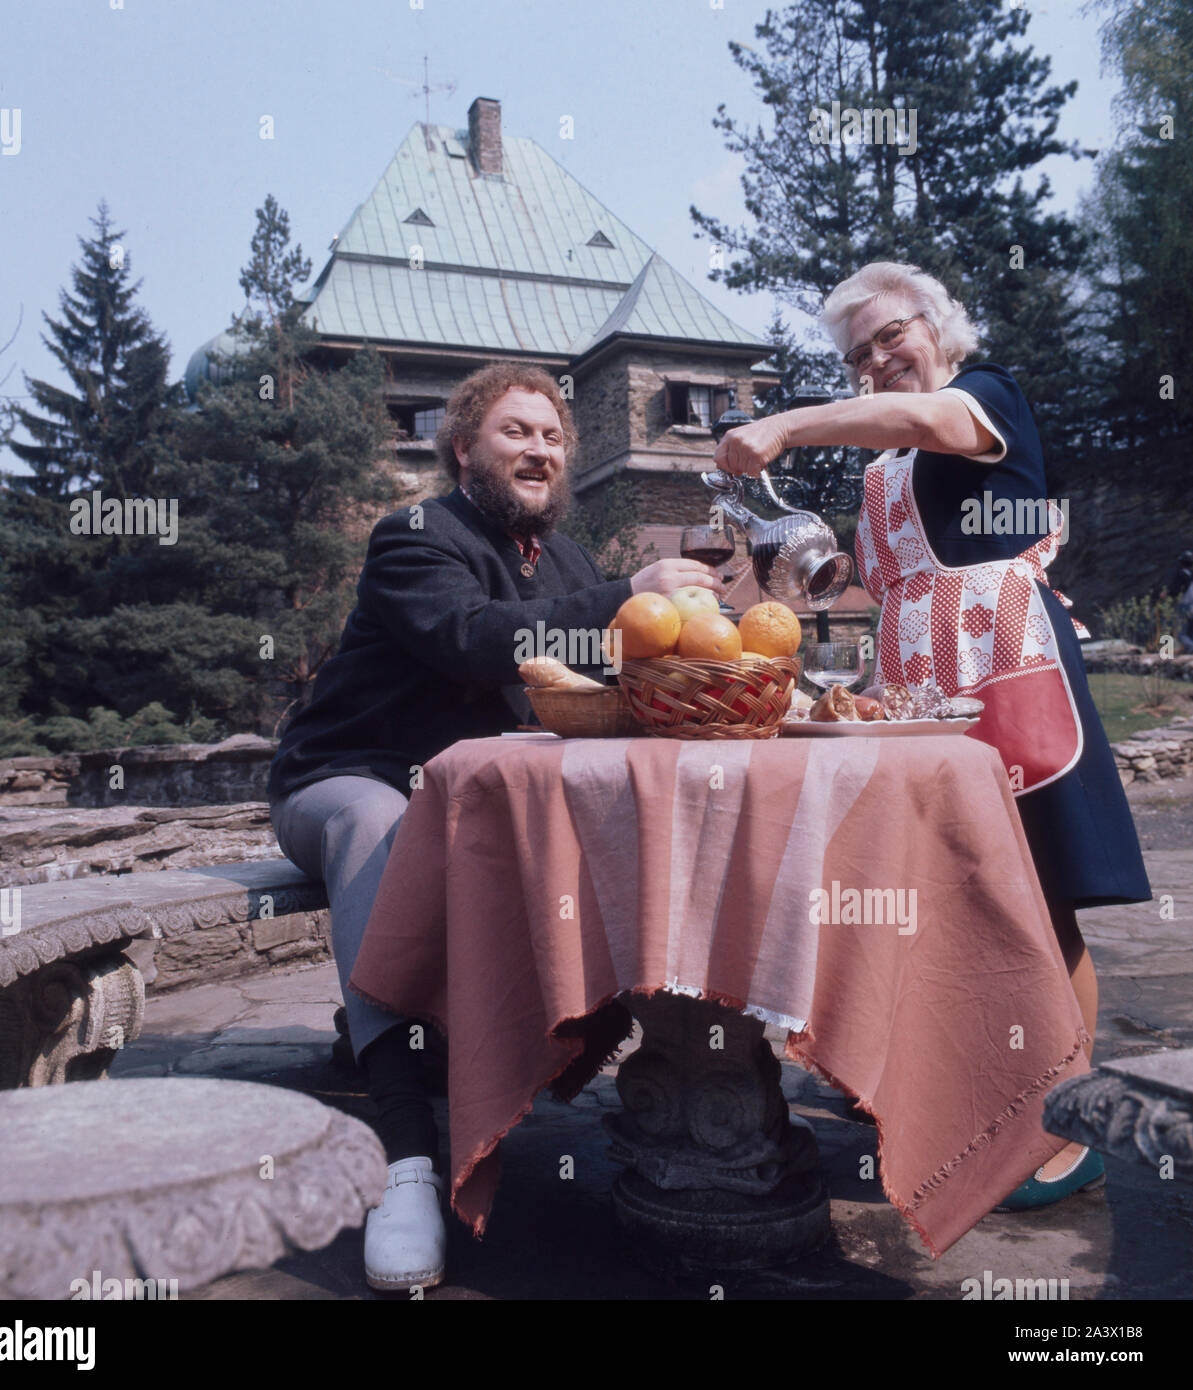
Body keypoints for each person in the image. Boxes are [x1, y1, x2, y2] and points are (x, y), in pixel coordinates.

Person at [266, 362, 721, 1291]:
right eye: (516, 432)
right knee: (379, 822)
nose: (540, 450)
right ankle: (406, 1159)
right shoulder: (415, 536)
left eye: (553, 437)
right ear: (463, 449)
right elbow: (472, 640)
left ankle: (678, 1076)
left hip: (475, 804)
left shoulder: (569, 564)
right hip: (343, 778)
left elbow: (610, 682)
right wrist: (628, 595)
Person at [714, 261, 1151, 1211]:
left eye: (890, 335)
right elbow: (866, 576)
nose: (876, 360)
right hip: (915, 685)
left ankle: (1065, 1132)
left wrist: (786, 425)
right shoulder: (884, 467)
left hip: (1006, 663)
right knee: (942, 896)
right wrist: (740, 580)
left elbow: (928, 420)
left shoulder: (983, 397)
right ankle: (961, 1095)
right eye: (857, 354)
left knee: (1040, 903)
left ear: (937, 326)